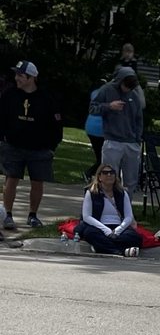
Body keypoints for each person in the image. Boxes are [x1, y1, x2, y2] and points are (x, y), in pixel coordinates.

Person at [1, 61, 63, 233]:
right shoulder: (10, 94)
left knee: (37, 182)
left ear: (31, 77)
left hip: (40, 148)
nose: (17, 78)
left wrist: (52, 146)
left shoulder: (47, 98)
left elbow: (56, 124)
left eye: (20, 75)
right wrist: (3, 138)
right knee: (11, 179)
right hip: (13, 145)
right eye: (16, 75)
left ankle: (33, 215)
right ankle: (8, 214)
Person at [90, 66, 144, 195]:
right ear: (120, 81)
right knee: (109, 178)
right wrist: (109, 106)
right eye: (125, 86)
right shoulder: (107, 90)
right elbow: (93, 108)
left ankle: (126, 209)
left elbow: (139, 119)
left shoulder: (134, 95)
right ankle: (108, 208)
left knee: (131, 181)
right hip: (113, 141)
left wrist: (137, 138)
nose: (127, 90)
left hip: (131, 142)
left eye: (130, 88)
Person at [76, 164, 142, 257]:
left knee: (135, 238)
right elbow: (87, 217)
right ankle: (121, 252)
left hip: (117, 226)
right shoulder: (91, 193)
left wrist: (118, 230)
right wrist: (106, 230)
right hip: (98, 226)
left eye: (112, 173)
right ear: (99, 177)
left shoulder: (122, 193)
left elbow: (128, 216)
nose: (109, 175)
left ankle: (102, 247)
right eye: (105, 173)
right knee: (90, 234)